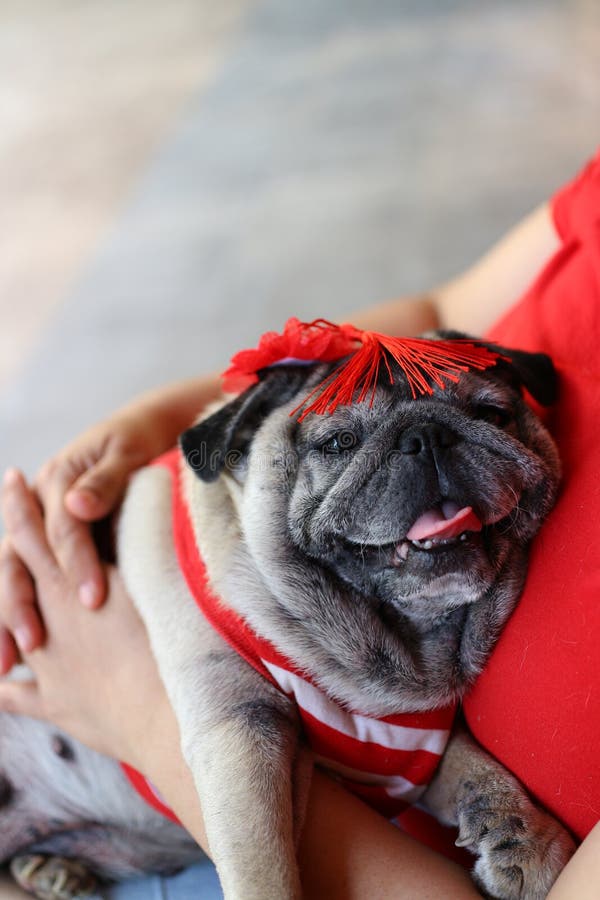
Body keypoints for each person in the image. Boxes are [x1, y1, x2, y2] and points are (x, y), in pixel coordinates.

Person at [1, 148, 599, 898]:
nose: (424, 454)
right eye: (345, 443)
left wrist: (134, 714)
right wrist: (150, 418)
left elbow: (305, 738)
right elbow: (445, 314)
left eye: (479, 415)